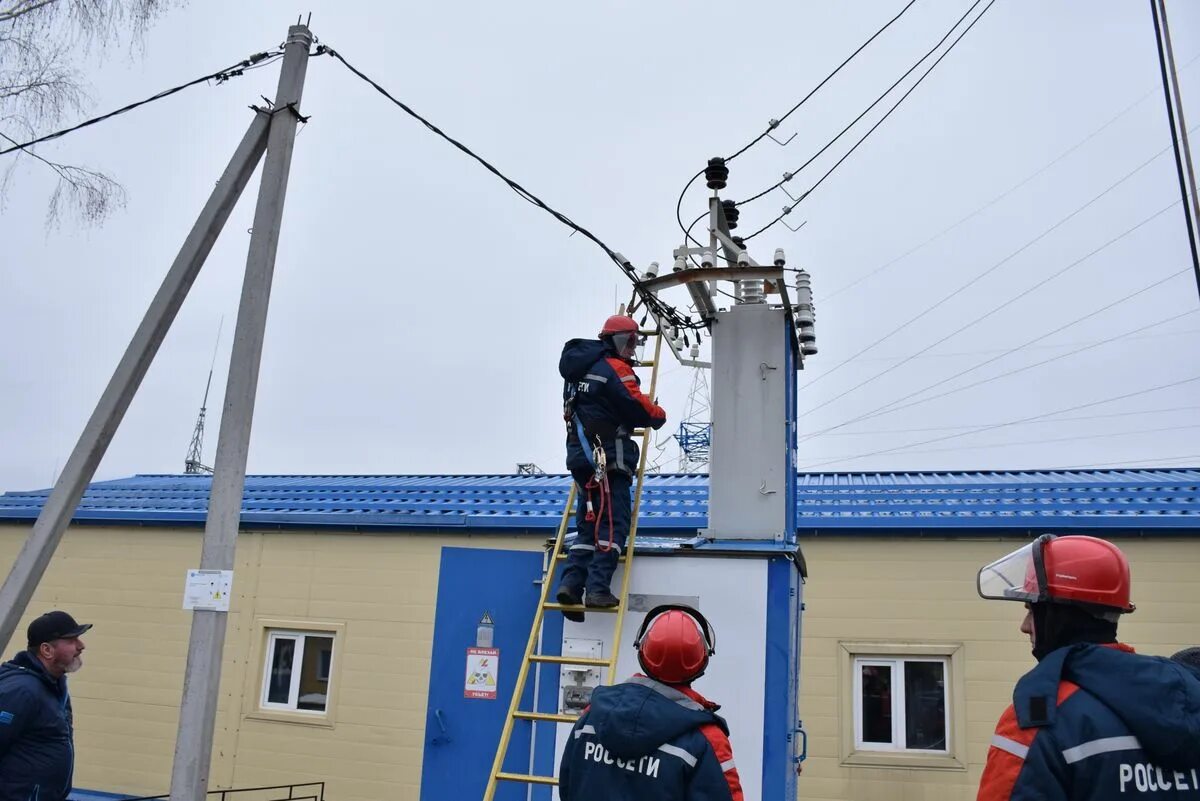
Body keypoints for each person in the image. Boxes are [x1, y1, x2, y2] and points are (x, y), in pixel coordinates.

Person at [975, 535, 1200, 800]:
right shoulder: (1187, 701)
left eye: (1031, 610)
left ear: (1058, 616)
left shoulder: (1039, 719)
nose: (1024, 626)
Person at [558, 605, 743, 801]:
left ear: (642, 651)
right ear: (701, 660)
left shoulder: (592, 715)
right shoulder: (705, 739)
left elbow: (568, 786)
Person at [556, 314, 667, 620]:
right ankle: (597, 590)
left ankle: (570, 585)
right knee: (613, 525)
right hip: (608, 459)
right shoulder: (614, 368)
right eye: (631, 342)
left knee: (587, 528)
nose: (633, 350)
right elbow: (638, 408)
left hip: (581, 459)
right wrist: (658, 413)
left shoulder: (575, 371)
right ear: (622, 340)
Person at [0, 610, 92, 801]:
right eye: (72, 640)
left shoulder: (52, 686)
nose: (81, 646)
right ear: (47, 650)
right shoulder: (22, 691)